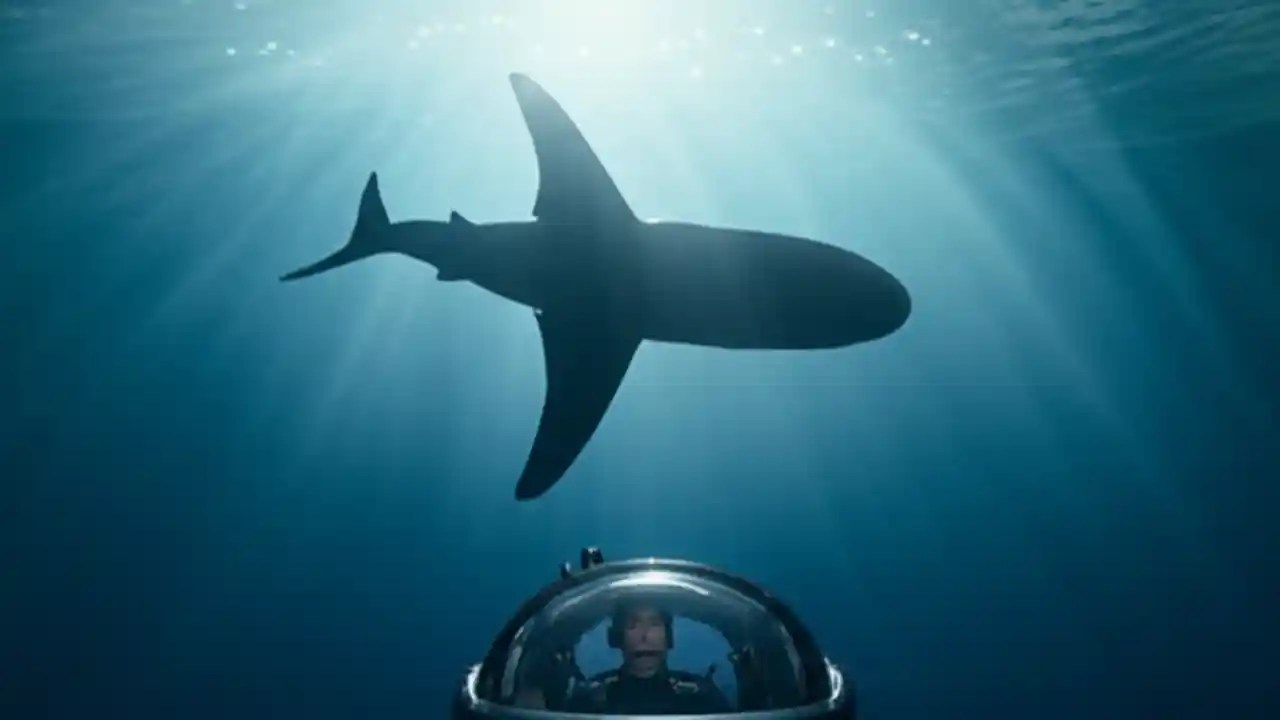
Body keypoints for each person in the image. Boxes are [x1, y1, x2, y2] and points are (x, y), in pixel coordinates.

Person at [565, 600, 732, 715]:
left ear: (669, 637)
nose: (645, 635)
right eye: (632, 625)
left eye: (655, 624)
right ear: (616, 638)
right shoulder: (590, 698)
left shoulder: (701, 696)